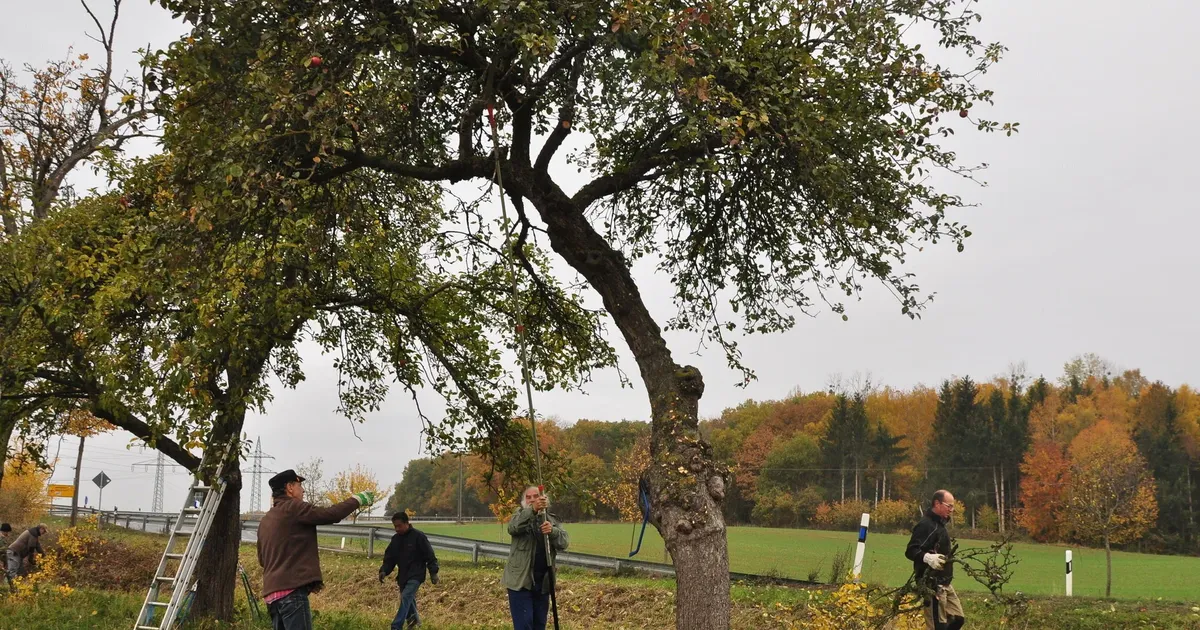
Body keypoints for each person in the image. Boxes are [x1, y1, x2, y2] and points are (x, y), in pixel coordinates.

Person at [257, 469, 374, 630]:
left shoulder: (265, 520)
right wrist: (356, 500)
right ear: (290, 487)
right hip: (291, 593)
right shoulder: (293, 508)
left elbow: (262, 560)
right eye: (299, 485)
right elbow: (329, 514)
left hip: (272, 596)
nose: (303, 490)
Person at [504, 485, 568, 630]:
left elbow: (564, 542)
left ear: (544, 499)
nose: (532, 499)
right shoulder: (519, 515)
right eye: (528, 497)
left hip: (543, 583)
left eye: (536, 496)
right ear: (524, 501)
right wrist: (533, 510)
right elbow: (513, 528)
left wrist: (553, 531)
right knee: (524, 625)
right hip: (520, 582)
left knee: (539, 625)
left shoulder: (551, 519)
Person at [905, 489, 964, 630]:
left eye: (952, 506)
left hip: (945, 583)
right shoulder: (926, 525)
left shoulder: (940, 525)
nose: (952, 510)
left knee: (957, 619)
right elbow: (911, 550)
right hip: (931, 585)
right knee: (939, 626)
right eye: (948, 506)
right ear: (937, 503)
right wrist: (928, 558)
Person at [378, 511, 440, 630]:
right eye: (395, 526)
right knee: (408, 599)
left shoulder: (418, 536)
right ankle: (414, 623)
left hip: (416, 574)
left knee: (406, 596)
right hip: (403, 576)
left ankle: (396, 626)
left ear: (407, 523)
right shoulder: (395, 540)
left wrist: (433, 572)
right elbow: (390, 558)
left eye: (399, 526)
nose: (397, 529)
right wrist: (384, 571)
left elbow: (430, 555)